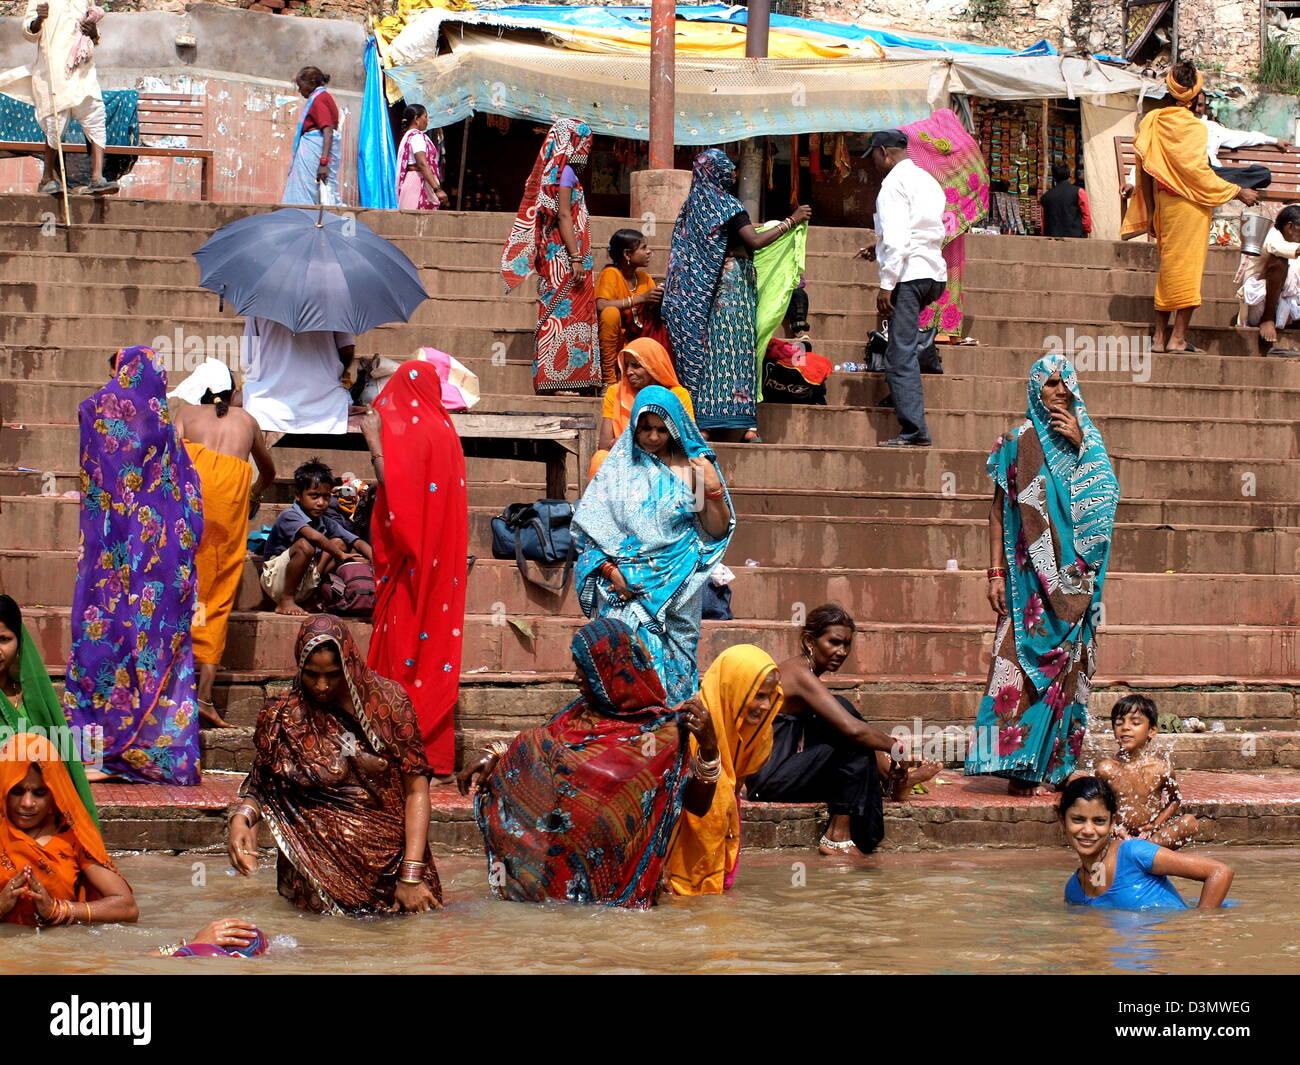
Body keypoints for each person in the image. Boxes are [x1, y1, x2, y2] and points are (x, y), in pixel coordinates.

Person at [458, 618, 717, 909]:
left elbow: (697, 805)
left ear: (609, 671)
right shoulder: (576, 716)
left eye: (584, 668)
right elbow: (542, 748)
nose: (576, 677)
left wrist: (709, 747)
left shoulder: (662, 734)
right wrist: (496, 755)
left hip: (623, 901)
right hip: (553, 893)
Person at [965, 354, 1120, 795]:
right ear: (1035, 389)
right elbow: (998, 512)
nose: (1059, 392)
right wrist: (994, 572)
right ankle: (1016, 764)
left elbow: (1105, 507)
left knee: (1069, 667)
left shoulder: (1088, 441)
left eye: (1065, 383)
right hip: (1025, 583)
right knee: (1014, 663)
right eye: (1050, 384)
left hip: (1074, 581)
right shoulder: (1015, 442)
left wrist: (1083, 445)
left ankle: (1055, 765)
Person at [227, 615, 443, 915]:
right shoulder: (286, 717)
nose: (322, 685)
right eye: (311, 674)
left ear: (350, 663)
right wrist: (243, 818)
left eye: (333, 673)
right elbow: (265, 781)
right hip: (316, 865)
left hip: (392, 869)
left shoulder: (389, 704)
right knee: (319, 947)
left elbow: (416, 791)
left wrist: (410, 876)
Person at [64, 346, 203, 785]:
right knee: (158, 653)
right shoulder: (169, 436)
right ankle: (152, 755)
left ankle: (94, 755)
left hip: (112, 558)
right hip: (162, 567)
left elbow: (95, 475)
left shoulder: (102, 415)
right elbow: (192, 505)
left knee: (101, 643)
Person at [573, 386, 734, 704]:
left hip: (676, 588)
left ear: (675, 427)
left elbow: (714, 530)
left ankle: (669, 742)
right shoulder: (617, 471)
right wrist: (611, 572)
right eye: (646, 427)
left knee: (674, 672)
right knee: (622, 667)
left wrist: (712, 490)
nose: (653, 436)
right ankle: (624, 743)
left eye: (662, 429)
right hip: (621, 589)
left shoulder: (692, 470)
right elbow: (588, 534)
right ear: (634, 425)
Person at [751, 604, 941, 855]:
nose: (841, 651)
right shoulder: (798, 673)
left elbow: (850, 724)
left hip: (787, 769)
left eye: (847, 644)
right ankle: (837, 838)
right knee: (853, 740)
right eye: (834, 642)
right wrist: (895, 747)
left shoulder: (806, 672)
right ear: (810, 640)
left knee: (842, 710)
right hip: (767, 781)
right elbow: (853, 731)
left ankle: (893, 781)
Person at [360, 361, 467, 780]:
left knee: (404, 646)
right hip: (443, 565)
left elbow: (399, 501)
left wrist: (374, 444)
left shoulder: (415, 431)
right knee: (434, 648)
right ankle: (432, 751)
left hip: (412, 565)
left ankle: (395, 744)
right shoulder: (446, 432)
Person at [661, 149, 810, 442]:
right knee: (737, 349)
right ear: (719, 173)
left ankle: (702, 423)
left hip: (699, 293)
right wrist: (791, 220)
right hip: (732, 284)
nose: (733, 175)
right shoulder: (729, 205)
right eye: (729, 170)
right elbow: (753, 241)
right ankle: (745, 426)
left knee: (708, 352)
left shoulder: (692, 207)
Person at [1120, 62, 1259, 354]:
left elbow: (1145, 169)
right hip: (1191, 207)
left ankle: (1159, 338)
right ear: (1195, 94)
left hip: (1165, 205)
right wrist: (1237, 191)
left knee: (1169, 269)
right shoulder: (1195, 128)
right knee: (1188, 272)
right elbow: (1198, 174)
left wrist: (1150, 210)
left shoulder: (1152, 121)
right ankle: (1178, 338)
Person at [172, 359, 277, 728]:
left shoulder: (186, 414)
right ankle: (203, 697)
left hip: (190, 512)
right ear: (233, 393)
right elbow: (270, 471)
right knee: (216, 600)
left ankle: (172, 690)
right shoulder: (247, 421)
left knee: (182, 591)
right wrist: (253, 494)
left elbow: (168, 463)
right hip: (229, 513)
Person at [663, 644, 783, 896]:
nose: (765, 705)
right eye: (758, 695)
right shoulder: (687, 724)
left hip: (721, 825)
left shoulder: (758, 734)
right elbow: (690, 804)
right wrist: (709, 747)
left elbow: (733, 789)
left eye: (769, 696)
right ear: (732, 688)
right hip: (678, 832)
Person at [500, 117, 602, 395]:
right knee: (562, 315)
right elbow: (564, 215)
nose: (587, 149)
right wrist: (576, 257)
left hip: (555, 255)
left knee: (557, 313)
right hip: (564, 259)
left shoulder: (553, 171)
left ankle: (564, 378)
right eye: (585, 142)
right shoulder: (566, 172)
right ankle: (558, 379)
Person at [0, 733, 137, 926]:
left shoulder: (73, 836)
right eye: (17, 791)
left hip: (60, 950)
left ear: (54, 793)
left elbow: (127, 908)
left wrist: (57, 909)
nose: (27, 803)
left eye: (39, 793)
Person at [863, 129, 946, 447]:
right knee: (903, 345)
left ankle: (914, 430)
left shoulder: (892, 186)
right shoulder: (926, 179)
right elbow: (918, 228)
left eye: (873, 154)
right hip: (932, 275)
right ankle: (901, 395)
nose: (873, 161)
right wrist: (878, 247)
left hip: (910, 276)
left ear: (884, 152)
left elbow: (899, 238)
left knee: (899, 354)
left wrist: (886, 284)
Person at [1059, 776, 1232, 910]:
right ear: (1062, 821)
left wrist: (1203, 925)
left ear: (1112, 823)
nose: (1088, 830)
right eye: (1078, 820)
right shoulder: (1074, 891)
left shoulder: (1134, 854)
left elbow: (1220, 872)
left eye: (1099, 821)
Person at [0, 596, 98, 822]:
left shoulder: (36, 697)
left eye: (4, 639)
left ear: (19, 642)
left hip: (37, 814)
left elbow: (65, 763)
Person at [23, 0, 116, 195]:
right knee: (56, 122)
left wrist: (93, 31)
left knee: (96, 115)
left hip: (83, 68)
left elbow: (94, 36)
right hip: (55, 69)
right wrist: (39, 18)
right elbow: (28, 33)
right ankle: (47, 178)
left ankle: (97, 178)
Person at [260, 459, 372, 616]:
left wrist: (376, 560)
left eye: (326, 497)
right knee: (305, 545)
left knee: (339, 543)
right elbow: (314, 537)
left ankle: (311, 598)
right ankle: (286, 601)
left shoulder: (325, 521)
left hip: (305, 581)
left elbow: (356, 541)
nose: (321, 503)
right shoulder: (290, 515)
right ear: (298, 495)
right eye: (314, 496)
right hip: (277, 580)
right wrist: (340, 555)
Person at [1094, 695, 1198, 850]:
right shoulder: (1106, 769)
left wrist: (1155, 825)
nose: (1125, 727)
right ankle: (1142, 853)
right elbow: (1097, 806)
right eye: (1118, 723)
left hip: (1149, 837)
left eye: (1135, 722)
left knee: (1190, 823)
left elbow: (1174, 800)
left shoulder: (1161, 769)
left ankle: (1141, 850)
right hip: (1119, 838)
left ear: (1152, 731)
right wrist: (1115, 828)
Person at [588, 337, 693, 481]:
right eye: (626, 366)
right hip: (625, 460)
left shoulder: (677, 395)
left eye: (635, 366)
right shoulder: (616, 392)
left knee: (692, 465)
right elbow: (605, 445)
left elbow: (688, 442)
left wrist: (636, 444)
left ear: (653, 366)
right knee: (600, 458)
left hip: (666, 459)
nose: (629, 371)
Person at [240, 316, 356, 435]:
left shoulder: (257, 304)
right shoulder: (333, 302)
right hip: (327, 408)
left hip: (266, 408)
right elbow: (347, 349)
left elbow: (248, 358)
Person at [595, 228, 662, 384]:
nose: (649, 252)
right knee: (610, 313)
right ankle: (609, 380)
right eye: (643, 248)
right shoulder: (611, 273)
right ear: (627, 254)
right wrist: (641, 298)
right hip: (617, 342)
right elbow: (601, 304)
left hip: (639, 341)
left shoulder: (644, 278)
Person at [1237, 203, 1300, 353]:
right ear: (1289, 227)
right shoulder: (1270, 235)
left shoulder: (1293, 242)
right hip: (1260, 304)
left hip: (1287, 307)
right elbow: (1276, 248)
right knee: (1279, 261)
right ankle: (1268, 319)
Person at [282, 66, 341, 206]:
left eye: (300, 86)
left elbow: (328, 130)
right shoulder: (323, 97)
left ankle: (302, 220)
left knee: (307, 192)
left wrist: (323, 162)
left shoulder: (319, 99)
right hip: (314, 147)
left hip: (315, 150)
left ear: (312, 83)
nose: (299, 90)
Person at [395, 104, 449, 211]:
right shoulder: (417, 137)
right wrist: (437, 189)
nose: (427, 120)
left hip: (410, 182)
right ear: (416, 119)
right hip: (416, 184)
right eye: (425, 116)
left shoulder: (407, 136)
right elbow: (422, 163)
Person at [1040, 161, 1093, 238]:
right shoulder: (1079, 192)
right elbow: (1086, 217)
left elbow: (1043, 224)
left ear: (1054, 177)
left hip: (1052, 240)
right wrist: (1086, 230)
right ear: (1069, 175)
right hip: (1075, 238)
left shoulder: (1046, 197)